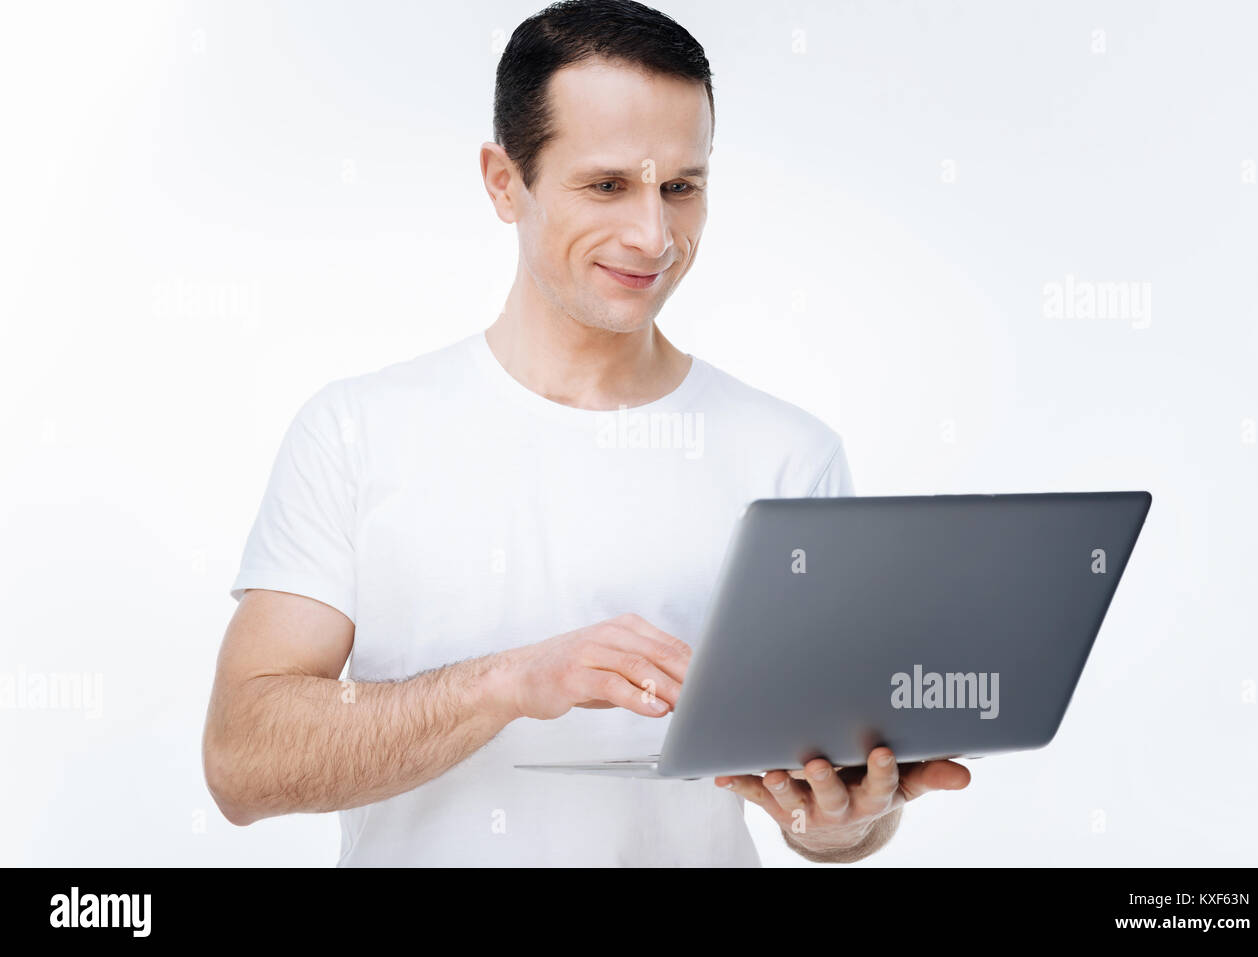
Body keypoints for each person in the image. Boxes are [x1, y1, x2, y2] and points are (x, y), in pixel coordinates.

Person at [202, 0, 969, 867]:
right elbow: (242, 762)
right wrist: (509, 683)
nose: (654, 236)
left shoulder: (789, 453)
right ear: (504, 181)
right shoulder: (355, 432)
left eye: (681, 186)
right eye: (608, 185)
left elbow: (835, 813)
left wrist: (846, 818)